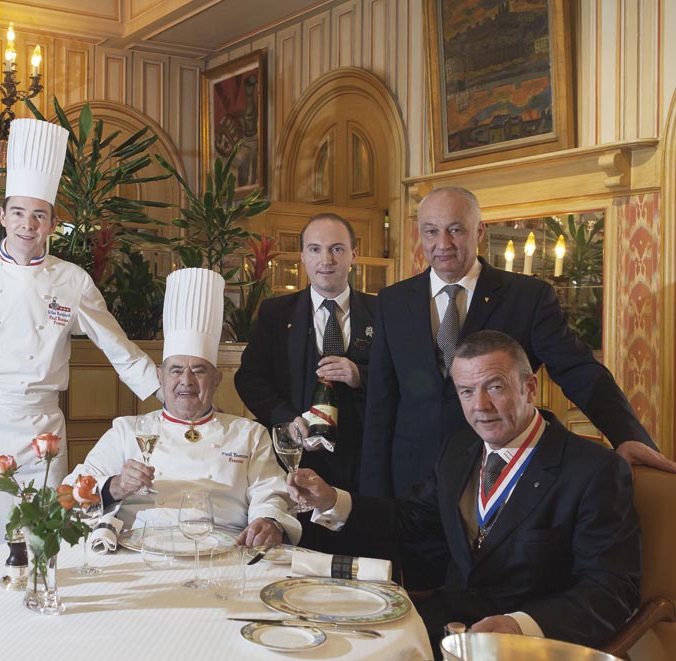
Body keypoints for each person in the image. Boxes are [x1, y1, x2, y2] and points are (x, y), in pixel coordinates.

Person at [361, 186, 674, 586]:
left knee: (490, 598)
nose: (442, 244)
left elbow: (579, 369)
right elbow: (381, 403)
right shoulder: (392, 300)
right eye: (430, 231)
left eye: (455, 230)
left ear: (479, 231)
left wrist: (627, 434)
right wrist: (374, 499)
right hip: (413, 489)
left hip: (498, 486)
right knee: (425, 610)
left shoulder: (527, 296)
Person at [290, 331, 640, 655]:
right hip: (445, 629)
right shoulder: (460, 449)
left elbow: (611, 592)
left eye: (495, 387)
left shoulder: (593, 469)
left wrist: (520, 625)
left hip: (532, 648)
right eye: (467, 392)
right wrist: (332, 499)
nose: (480, 406)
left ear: (530, 388)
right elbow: (412, 518)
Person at [0, 119, 160, 563]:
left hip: (42, 431)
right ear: (2, 216)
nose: (27, 225)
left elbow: (117, 346)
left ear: (52, 223)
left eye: (39, 215)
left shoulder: (73, 281)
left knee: (41, 539)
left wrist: (171, 395)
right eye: (18, 213)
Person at [67, 268, 301, 547]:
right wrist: (114, 486)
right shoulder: (126, 431)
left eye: (199, 371)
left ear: (216, 380)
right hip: (139, 552)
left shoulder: (250, 434)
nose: (186, 381)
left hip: (226, 550)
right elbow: (68, 494)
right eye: (176, 370)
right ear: (161, 378)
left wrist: (268, 522)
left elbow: (271, 494)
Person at [235, 213, 375, 551]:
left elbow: (404, 381)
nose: (326, 260)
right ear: (302, 257)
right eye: (315, 249)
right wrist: (286, 418)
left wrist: (360, 376)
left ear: (353, 255)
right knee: (297, 560)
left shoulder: (381, 311)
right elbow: (249, 378)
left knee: (355, 556)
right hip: (293, 461)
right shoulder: (275, 312)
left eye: (337, 249)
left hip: (361, 461)